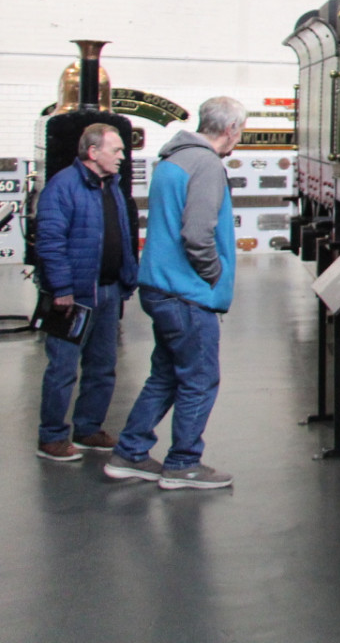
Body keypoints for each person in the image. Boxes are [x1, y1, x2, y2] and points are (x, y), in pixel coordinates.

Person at [105, 96, 244, 491]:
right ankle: (183, 462)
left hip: (159, 288)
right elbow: (197, 234)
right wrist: (214, 277)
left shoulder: (173, 159)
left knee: (165, 375)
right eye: (240, 130)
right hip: (185, 294)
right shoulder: (205, 164)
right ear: (231, 130)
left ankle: (129, 453)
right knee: (200, 378)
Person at [34, 123, 137, 462]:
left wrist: (127, 279)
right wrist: (61, 288)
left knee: (103, 366)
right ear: (93, 153)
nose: (123, 156)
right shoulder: (62, 187)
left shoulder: (113, 187)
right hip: (73, 299)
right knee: (62, 369)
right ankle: (51, 438)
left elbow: (122, 235)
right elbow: (50, 242)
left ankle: (89, 429)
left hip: (107, 293)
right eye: (116, 150)